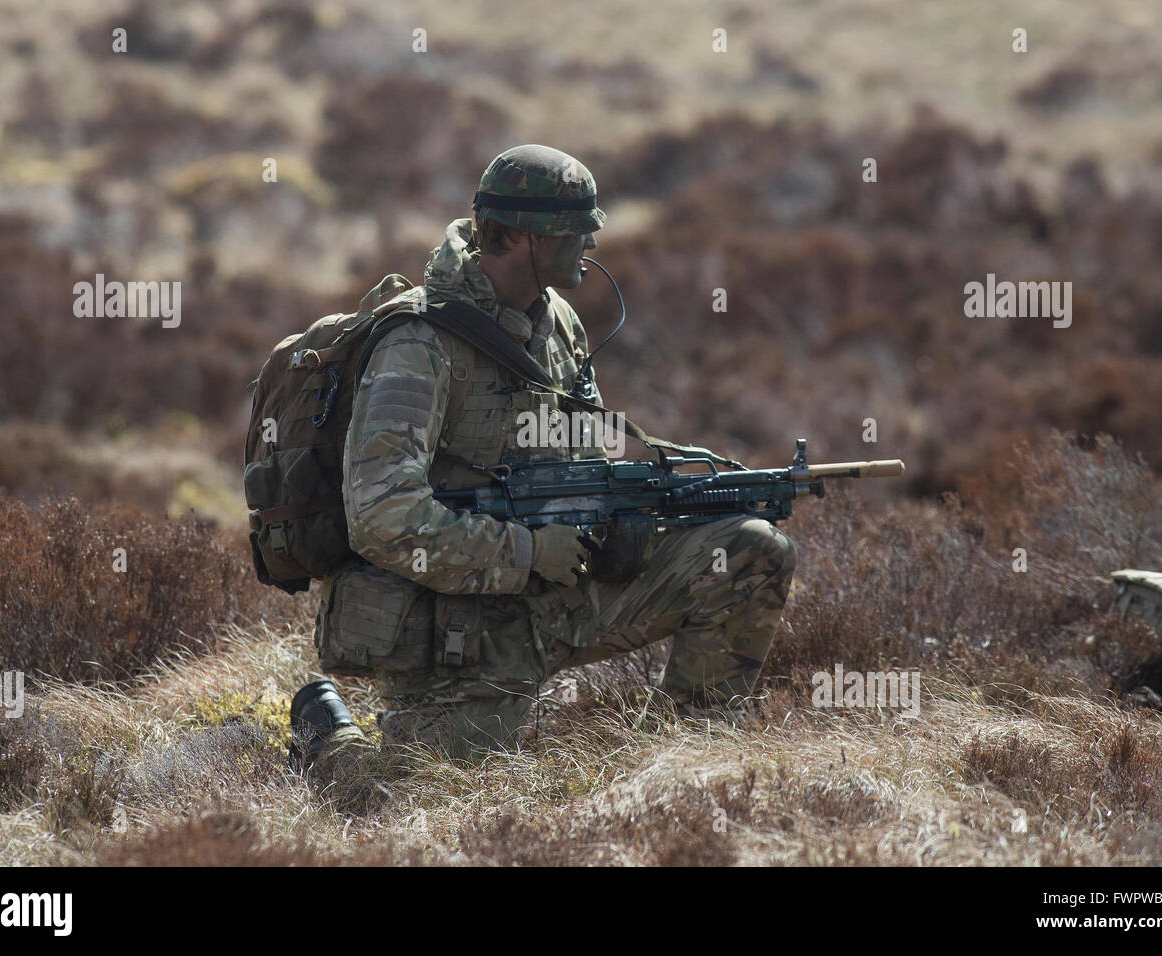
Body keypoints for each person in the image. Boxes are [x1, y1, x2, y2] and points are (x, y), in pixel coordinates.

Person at [295, 144, 796, 778]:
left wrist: (621, 515)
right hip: (456, 633)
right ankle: (327, 737)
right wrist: (527, 554)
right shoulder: (418, 345)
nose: (592, 237)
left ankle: (688, 771)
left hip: (558, 597)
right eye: (575, 226)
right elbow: (382, 516)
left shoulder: (558, 322)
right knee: (420, 804)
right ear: (523, 236)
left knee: (752, 551)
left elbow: (578, 456)